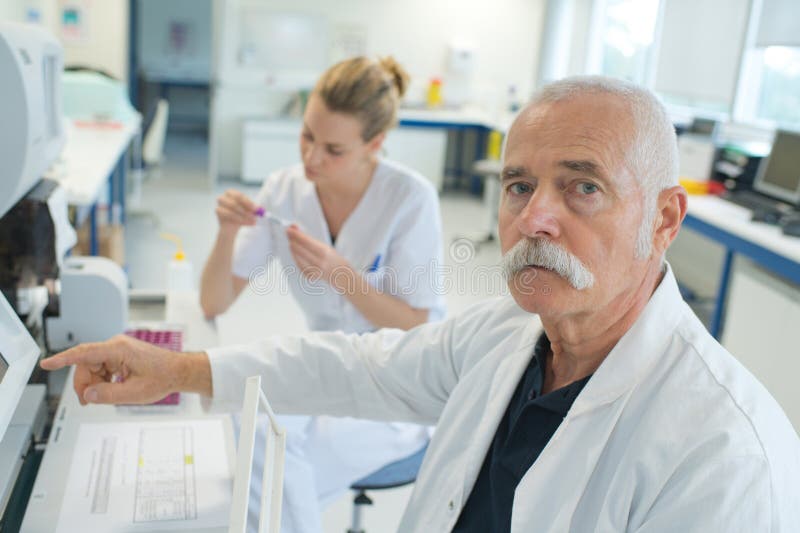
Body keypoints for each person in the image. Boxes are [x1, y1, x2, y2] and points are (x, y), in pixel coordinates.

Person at [43, 76, 800, 532]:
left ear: (665, 218)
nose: (535, 217)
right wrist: (178, 365)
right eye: (518, 185)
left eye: (583, 186)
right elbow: (355, 366)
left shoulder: (727, 455)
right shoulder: (510, 332)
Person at [198, 56, 446, 532]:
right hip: (327, 364)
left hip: (403, 379)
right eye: (307, 136)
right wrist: (227, 232)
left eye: (333, 149)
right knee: (251, 423)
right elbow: (214, 303)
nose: (312, 158)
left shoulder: (409, 198)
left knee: (272, 476)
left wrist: (343, 277)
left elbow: (421, 328)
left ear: (375, 144)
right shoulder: (284, 191)